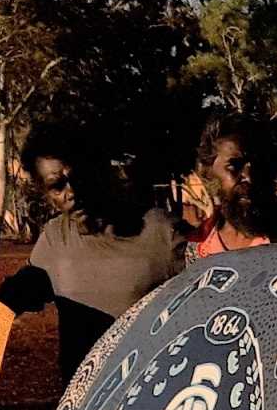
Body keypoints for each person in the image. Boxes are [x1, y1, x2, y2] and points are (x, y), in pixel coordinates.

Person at [17, 125, 186, 389]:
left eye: (80, 177)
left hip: (153, 398)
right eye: (57, 186)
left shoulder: (164, 233)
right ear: (46, 194)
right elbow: (16, 296)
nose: (71, 192)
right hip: (82, 409)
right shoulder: (53, 241)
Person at [189, 113, 277, 257]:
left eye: (260, 165)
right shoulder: (198, 249)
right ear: (208, 172)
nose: (250, 177)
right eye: (234, 165)